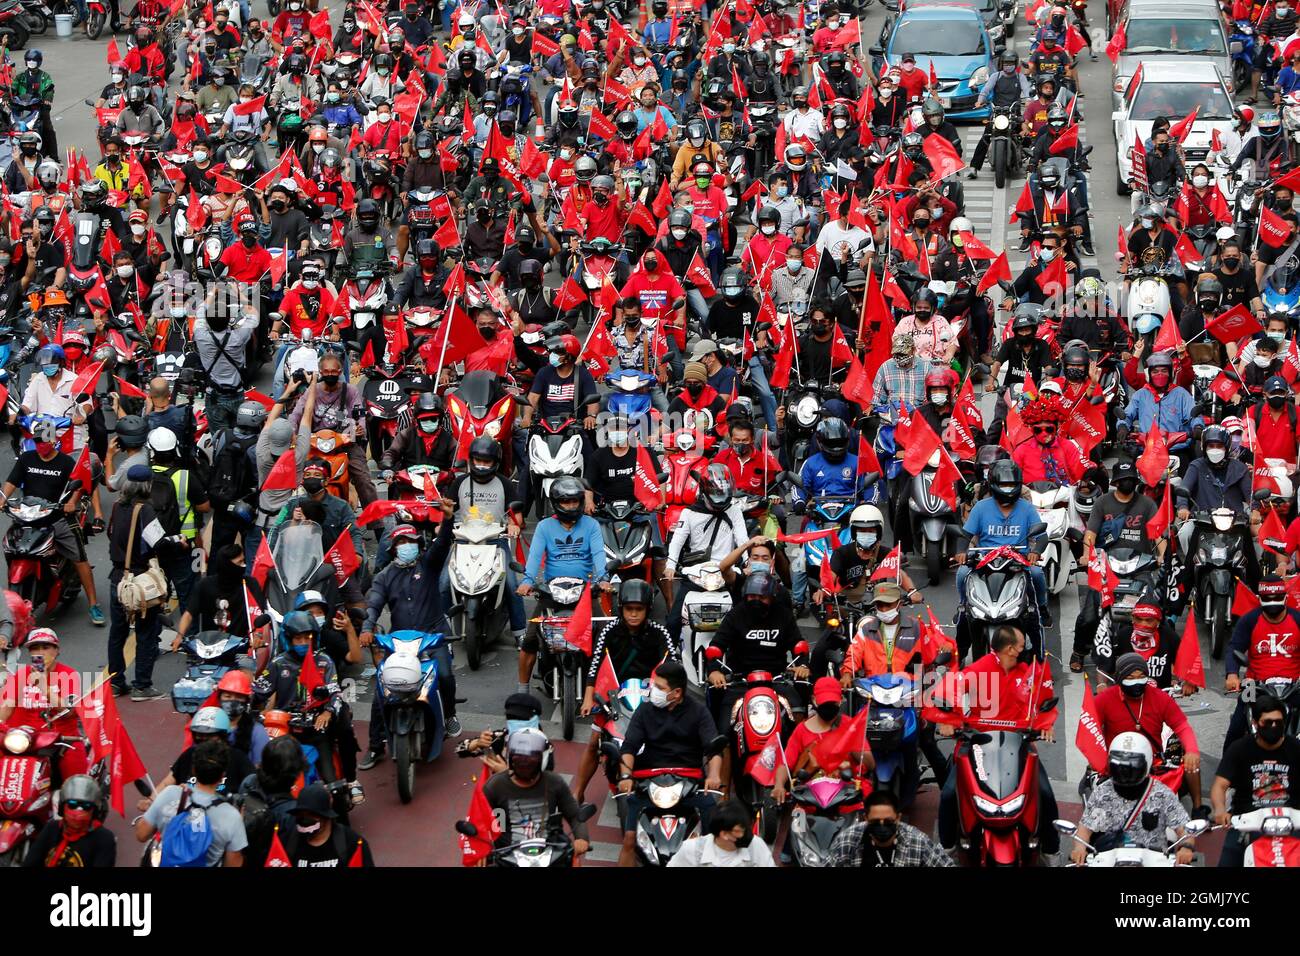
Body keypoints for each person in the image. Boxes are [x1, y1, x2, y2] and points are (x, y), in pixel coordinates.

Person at [935, 626, 1060, 857]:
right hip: (975, 744)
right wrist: (948, 720)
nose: (1026, 649)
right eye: (1022, 645)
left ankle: (1052, 851)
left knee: (1045, 793)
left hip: (1018, 744)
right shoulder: (977, 670)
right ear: (1011, 649)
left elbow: (1043, 703)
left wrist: (1046, 725)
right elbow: (947, 691)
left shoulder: (1028, 673)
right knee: (949, 794)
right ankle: (945, 847)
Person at [359, 503, 460, 768]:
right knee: (382, 689)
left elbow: (442, 544)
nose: (407, 545)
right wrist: (367, 628)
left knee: (446, 677)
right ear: (393, 548)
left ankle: (449, 716)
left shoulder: (428, 565)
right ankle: (374, 746)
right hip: (400, 642)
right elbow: (373, 606)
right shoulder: (383, 577)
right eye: (401, 542)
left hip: (434, 635)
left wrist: (448, 519)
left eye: (411, 541)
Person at [573, 579, 678, 801]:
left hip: (651, 696)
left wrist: (667, 693)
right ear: (621, 609)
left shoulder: (661, 633)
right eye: (629, 609)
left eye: (638, 610)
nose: (633, 614)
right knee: (593, 742)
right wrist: (588, 698)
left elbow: (673, 666)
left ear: (648, 610)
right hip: (613, 697)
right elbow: (595, 666)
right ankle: (578, 791)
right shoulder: (608, 631)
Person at [616, 661, 722, 867]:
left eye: (660, 688)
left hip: (690, 782)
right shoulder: (644, 711)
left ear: (676, 693)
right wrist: (626, 777)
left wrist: (714, 775)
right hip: (648, 780)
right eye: (654, 686)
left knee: (712, 839)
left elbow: (713, 749)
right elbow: (628, 748)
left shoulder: (699, 712)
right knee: (629, 840)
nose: (653, 691)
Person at [0, 418, 103, 624]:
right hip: (28, 516)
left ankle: (93, 605)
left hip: (56, 518)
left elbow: (79, 486)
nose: (40, 446)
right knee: (10, 547)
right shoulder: (26, 459)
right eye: (37, 442)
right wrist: (2, 498)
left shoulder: (65, 462)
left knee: (79, 558)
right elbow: (11, 482)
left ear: (53, 441)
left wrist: (71, 503)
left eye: (44, 442)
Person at [517, 477, 610, 693]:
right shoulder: (544, 527)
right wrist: (527, 582)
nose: (571, 506)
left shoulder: (591, 525)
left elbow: (598, 554)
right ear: (556, 503)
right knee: (530, 639)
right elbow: (534, 557)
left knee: (605, 637)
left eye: (575, 501)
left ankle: (606, 687)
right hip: (551, 591)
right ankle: (522, 688)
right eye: (566, 502)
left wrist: (603, 579)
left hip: (585, 592)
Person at [1070, 732, 1195, 865]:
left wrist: (1186, 848)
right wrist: (1079, 848)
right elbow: (1084, 829)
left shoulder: (1162, 793)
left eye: (1132, 768)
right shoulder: (1102, 792)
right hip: (1111, 860)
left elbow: (1184, 830)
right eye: (1120, 767)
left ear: (1146, 764)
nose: (1125, 774)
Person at [956, 460, 1051, 630]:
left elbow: (1042, 537)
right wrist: (961, 551)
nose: (1008, 489)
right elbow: (965, 535)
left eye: (1011, 485)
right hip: (984, 559)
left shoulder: (1027, 508)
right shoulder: (980, 508)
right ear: (993, 485)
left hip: (1018, 560)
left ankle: (1042, 608)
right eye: (1003, 485)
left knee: (1037, 574)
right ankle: (963, 606)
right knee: (962, 573)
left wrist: (1035, 552)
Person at [1212, 693, 1300, 867]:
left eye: (1278, 722)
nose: (1274, 726)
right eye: (1268, 722)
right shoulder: (1239, 748)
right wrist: (1220, 811)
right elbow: (1219, 786)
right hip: (1246, 821)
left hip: (1292, 820)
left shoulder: (1296, 749)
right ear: (1255, 723)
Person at [106, 466, 168, 700]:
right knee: (146, 633)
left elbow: (112, 535)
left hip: (117, 579)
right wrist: (178, 543)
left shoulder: (116, 506)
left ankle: (115, 681)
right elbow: (159, 543)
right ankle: (142, 686)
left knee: (117, 632)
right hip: (139, 581)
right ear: (147, 486)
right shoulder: (145, 510)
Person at [136, 738, 248, 867]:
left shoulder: (170, 794)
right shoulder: (232, 816)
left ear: (194, 770)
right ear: (222, 776)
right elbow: (233, 863)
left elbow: (141, 834)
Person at [483, 727, 590, 862]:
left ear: (543, 758)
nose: (524, 763)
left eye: (530, 759)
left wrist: (581, 839)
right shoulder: (495, 786)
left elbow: (574, 815)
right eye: (519, 758)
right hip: (507, 857)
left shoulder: (554, 783)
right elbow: (479, 821)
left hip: (551, 853)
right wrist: (481, 849)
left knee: (575, 862)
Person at [0, 628, 87, 784]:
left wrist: (43, 686)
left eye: (46, 647)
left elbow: (69, 711)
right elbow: (6, 706)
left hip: (61, 740)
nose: (40, 652)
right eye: (35, 648)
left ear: (56, 651)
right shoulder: (22, 674)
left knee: (76, 784)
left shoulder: (68, 674)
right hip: (23, 740)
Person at [1225, 576, 1300, 751]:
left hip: (1295, 685)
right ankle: (1228, 770)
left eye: (1276, 598)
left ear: (1285, 597)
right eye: (1267, 598)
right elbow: (1234, 648)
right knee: (1236, 726)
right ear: (1259, 599)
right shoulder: (1249, 620)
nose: (1272, 603)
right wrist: (1232, 674)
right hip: (1255, 684)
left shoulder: (1297, 619)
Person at [831, 789, 955, 867]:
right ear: (866, 819)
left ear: (898, 818)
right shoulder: (847, 841)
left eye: (888, 821)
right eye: (875, 821)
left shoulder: (917, 841)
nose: (882, 825)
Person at [23, 775, 116, 868]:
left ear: (94, 811)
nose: (78, 812)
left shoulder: (104, 839)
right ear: (62, 807)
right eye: (72, 805)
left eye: (86, 806)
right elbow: (31, 862)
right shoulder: (52, 828)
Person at [280, 782, 375, 867]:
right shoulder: (288, 842)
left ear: (326, 816)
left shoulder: (352, 843)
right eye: (300, 815)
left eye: (312, 814)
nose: (305, 820)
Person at [667, 799, 776, 867]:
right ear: (724, 834)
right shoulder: (692, 849)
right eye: (739, 831)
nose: (746, 835)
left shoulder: (755, 845)